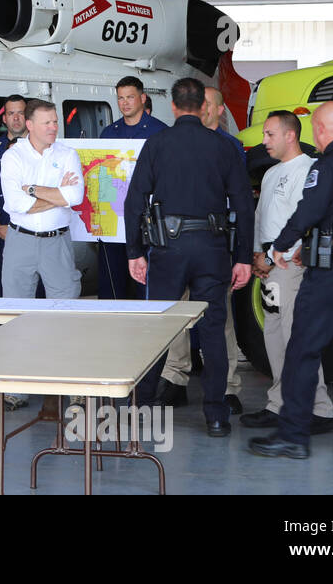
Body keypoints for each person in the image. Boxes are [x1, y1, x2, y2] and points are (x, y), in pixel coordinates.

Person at [250, 102, 333, 461]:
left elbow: (307, 210)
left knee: (301, 349)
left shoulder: (327, 166)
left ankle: (292, 435)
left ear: (322, 128)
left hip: (329, 272)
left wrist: (279, 246)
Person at [125, 78, 254, 437]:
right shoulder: (224, 146)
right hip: (212, 248)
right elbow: (243, 204)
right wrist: (242, 256)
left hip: (167, 249)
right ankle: (215, 415)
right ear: (202, 106)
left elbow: (134, 202)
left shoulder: (157, 143)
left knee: (159, 329)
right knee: (212, 330)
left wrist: (135, 252)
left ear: (174, 106)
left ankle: (142, 406)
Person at [240, 111, 333, 434]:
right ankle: (279, 404)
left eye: (269, 135)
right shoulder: (270, 174)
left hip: (289, 265)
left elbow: (302, 220)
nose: (264, 141)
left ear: (290, 136)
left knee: (297, 338)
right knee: (274, 335)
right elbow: (260, 217)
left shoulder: (307, 169)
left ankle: (319, 409)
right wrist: (256, 254)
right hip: (269, 265)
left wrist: (272, 255)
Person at [155, 86, 247, 413]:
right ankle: (176, 376)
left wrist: (240, 254)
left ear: (220, 110)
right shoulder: (170, 143)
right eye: (199, 102)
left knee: (219, 319)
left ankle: (229, 386)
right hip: (178, 242)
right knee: (175, 313)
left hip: (215, 241)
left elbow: (240, 203)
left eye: (209, 103)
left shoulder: (230, 147)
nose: (203, 108)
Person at [0, 99, 85, 413]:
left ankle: (73, 388)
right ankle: (18, 388)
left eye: (55, 121)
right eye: (46, 122)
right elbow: (14, 203)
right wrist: (55, 194)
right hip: (20, 242)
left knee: (67, 314)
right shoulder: (13, 156)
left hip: (57, 243)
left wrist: (33, 188)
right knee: (16, 314)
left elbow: (75, 197)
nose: (53, 127)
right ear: (30, 125)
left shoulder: (67, 154)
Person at [97, 76, 167, 301]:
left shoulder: (160, 133)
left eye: (130, 97)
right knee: (112, 285)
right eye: (120, 98)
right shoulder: (108, 133)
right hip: (114, 220)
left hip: (148, 221)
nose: (125, 103)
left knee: (145, 285)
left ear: (143, 98)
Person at [0, 95, 30, 300]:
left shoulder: (43, 148)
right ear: (4, 119)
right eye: (11, 113)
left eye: (20, 112)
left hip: (33, 231)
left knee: (33, 288)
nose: (16, 118)